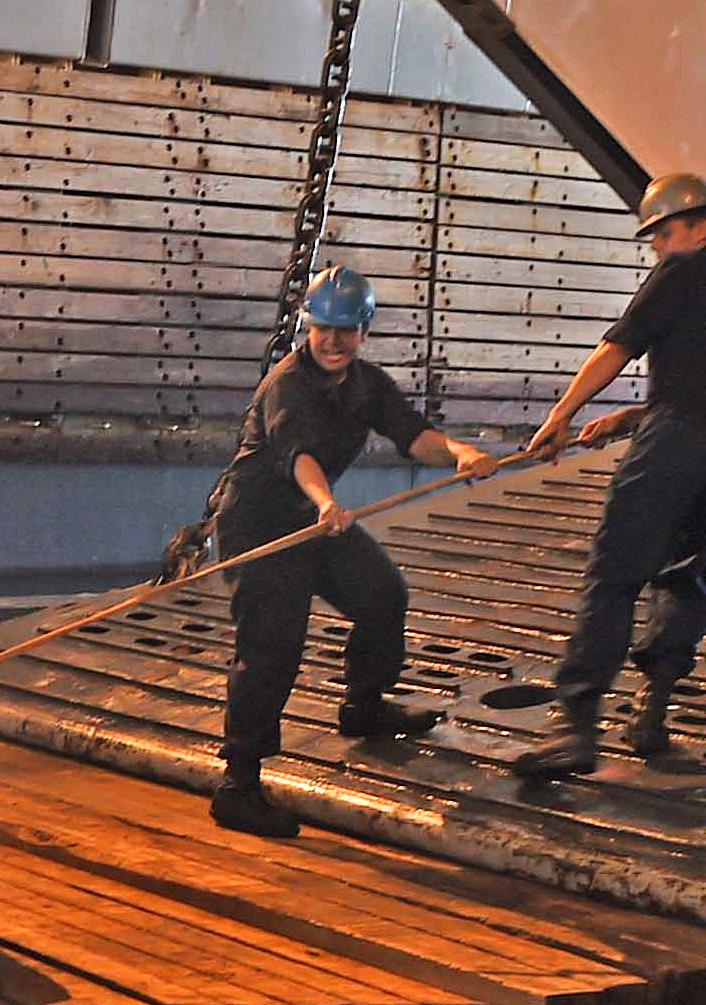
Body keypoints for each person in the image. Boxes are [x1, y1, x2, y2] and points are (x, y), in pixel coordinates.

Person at [207, 263, 500, 840]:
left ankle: (363, 705)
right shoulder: (287, 384)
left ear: (364, 330)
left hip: (319, 521)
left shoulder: (367, 384)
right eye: (322, 329)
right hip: (263, 526)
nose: (333, 341)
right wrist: (322, 502)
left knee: (383, 595)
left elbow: (413, 433)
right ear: (307, 328)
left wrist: (461, 451)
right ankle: (237, 786)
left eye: (346, 330)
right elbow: (299, 456)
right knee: (271, 647)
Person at [515, 175, 706, 780]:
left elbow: (620, 347)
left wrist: (561, 416)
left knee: (614, 576)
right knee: (684, 576)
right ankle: (651, 717)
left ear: (701, 227)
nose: (659, 248)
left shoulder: (682, 272)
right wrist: (628, 418)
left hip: (681, 444)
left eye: (665, 233)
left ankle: (575, 724)